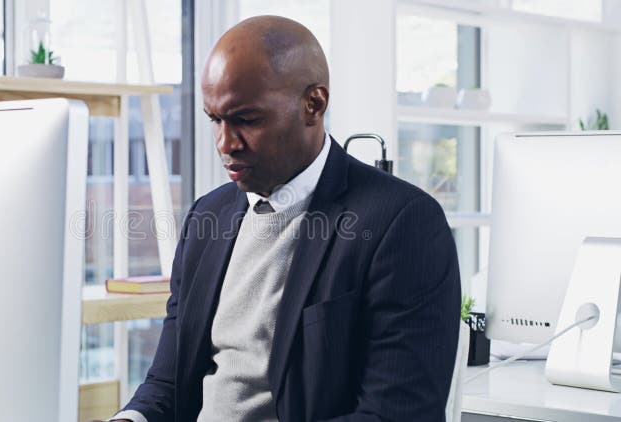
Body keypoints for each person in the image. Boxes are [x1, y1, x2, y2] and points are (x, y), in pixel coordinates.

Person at [110, 15, 461, 422]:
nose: (225, 143)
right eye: (215, 120)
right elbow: (169, 382)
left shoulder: (402, 223)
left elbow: (398, 414)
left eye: (247, 119)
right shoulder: (208, 216)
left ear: (313, 104)